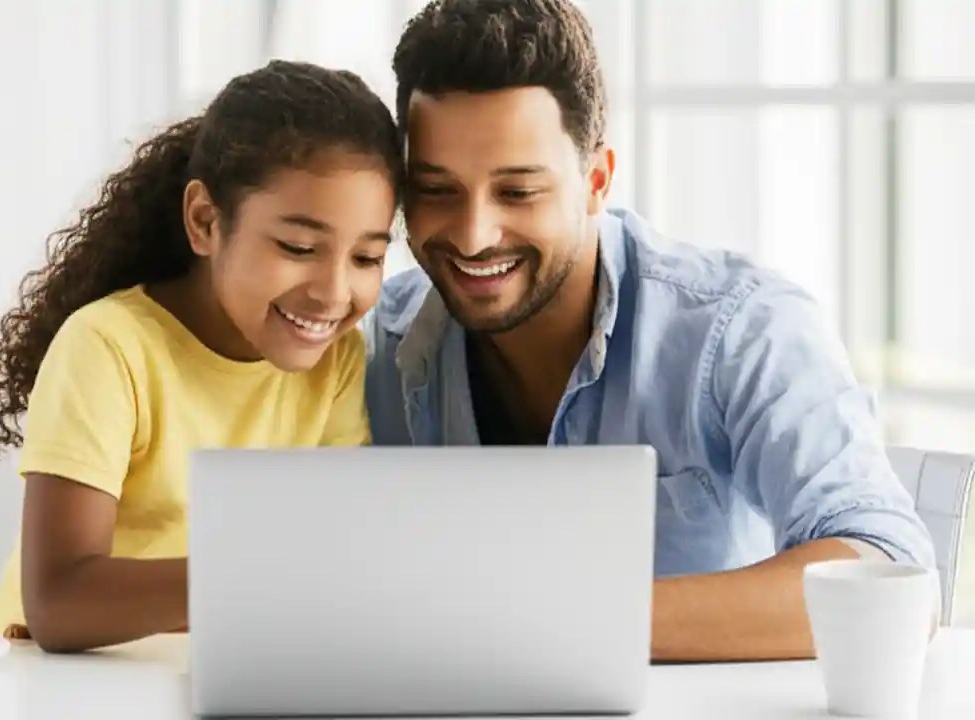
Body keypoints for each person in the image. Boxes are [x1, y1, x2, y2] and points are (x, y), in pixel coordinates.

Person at [365, 0, 935, 661]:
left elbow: (890, 574)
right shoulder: (374, 339)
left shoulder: (741, 329)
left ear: (595, 181)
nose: (473, 234)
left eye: (517, 192)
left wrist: (550, 624)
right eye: (437, 190)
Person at [0, 60, 402, 652]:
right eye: (299, 247)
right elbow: (57, 601)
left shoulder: (338, 361)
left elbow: (329, 559)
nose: (334, 293)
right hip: (58, 686)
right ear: (205, 221)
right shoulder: (109, 348)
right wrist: (255, 580)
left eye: (366, 259)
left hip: (213, 668)